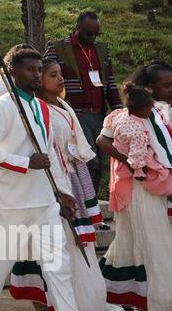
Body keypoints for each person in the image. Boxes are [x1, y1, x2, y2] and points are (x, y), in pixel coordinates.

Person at [0, 47, 120, 311]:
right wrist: (25, 163)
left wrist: (61, 194)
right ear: (13, 74)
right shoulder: (4, 107)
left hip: (44, 203)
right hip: (10, 204)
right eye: (30, 70)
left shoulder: (43, 108)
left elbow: (51, 158)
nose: (36, 75)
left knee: (59, 272)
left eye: (39, 69)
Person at [6, 58, 109, 311]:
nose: (60, 79)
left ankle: (80, 300)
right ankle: (61, 304)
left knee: (78, 241)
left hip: (74, 174)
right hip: (55, 179)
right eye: (53, 75)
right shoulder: (38, 110)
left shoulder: (63, 105)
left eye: (59, 74)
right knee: (62, 241)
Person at [96, 80, 172, 311]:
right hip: (138, 189)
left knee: (155, 246)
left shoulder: (166, 115)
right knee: (159, 247)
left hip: (164, 183)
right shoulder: (120, 117)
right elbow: (102, 142)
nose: (171, 90)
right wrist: (129, 163)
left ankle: (115, 291)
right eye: (165, 84)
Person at [44, 11, 121, 188]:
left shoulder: (102, 49)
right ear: (77, 28)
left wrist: (118, 110)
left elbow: (109, 81)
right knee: (87, 159)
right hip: (76, 113)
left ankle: (91, 199)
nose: (93, 37)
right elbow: (46, 75)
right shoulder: (58, 48)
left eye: (97, 33)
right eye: (89, 33)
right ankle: (84, 201)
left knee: (100, 162)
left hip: (100, 114)